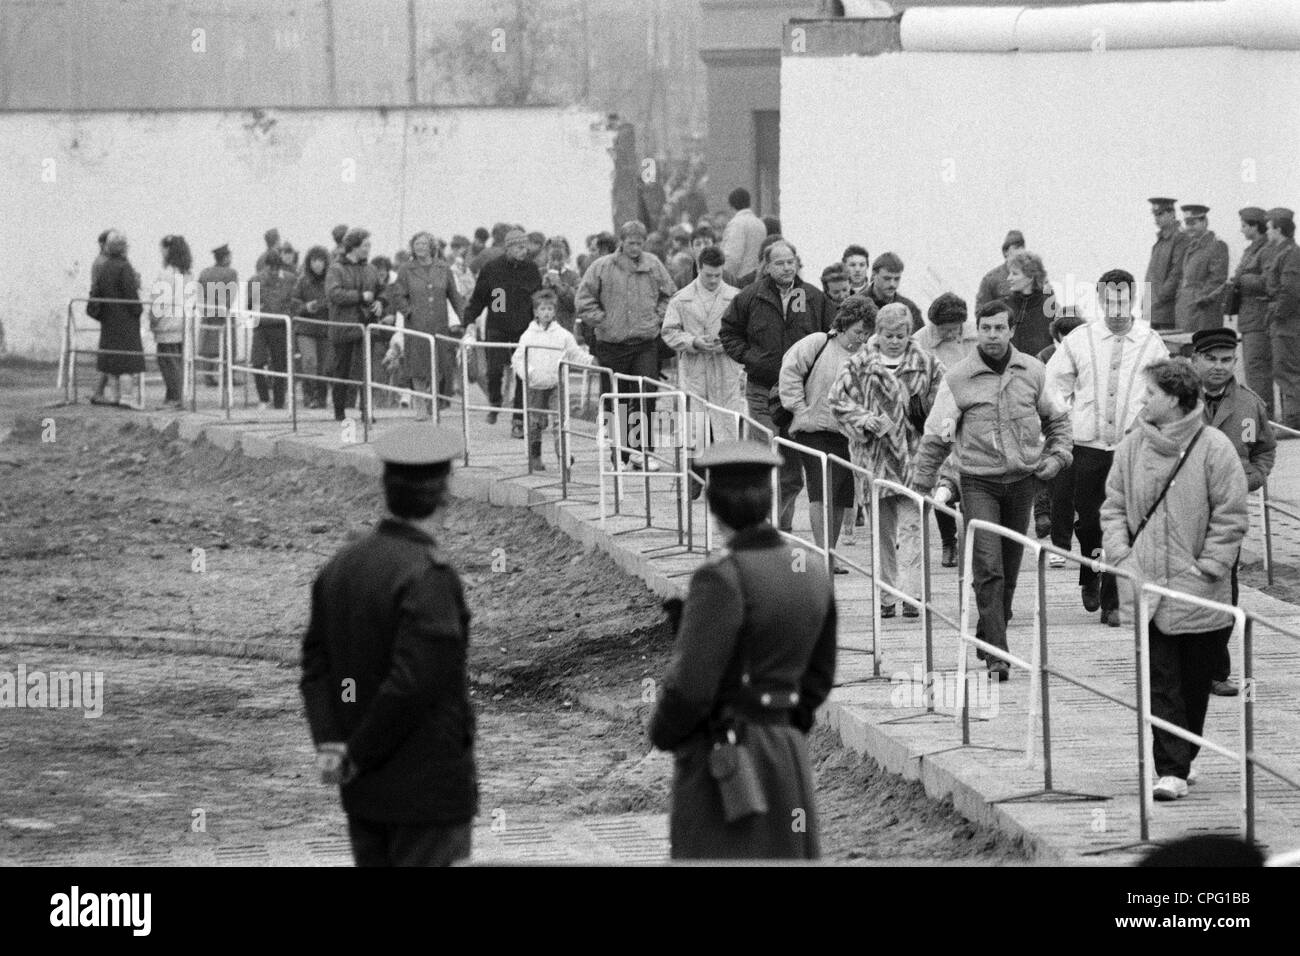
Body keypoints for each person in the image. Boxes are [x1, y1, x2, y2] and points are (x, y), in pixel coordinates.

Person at [648, 440, 837, 860]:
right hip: (787, 755)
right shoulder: (810, 570)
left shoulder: (720, 578)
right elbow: (820, 677)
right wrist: (782, 722)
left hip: (728, 761)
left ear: (713, 506)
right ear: (770, 499)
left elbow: (689, 688)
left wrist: (663, 732)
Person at [301, 422, 477, 865]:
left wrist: (331, 742)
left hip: (364, 794)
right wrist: (358, 752)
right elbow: (414, 684)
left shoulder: (342, 565)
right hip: (426, 794)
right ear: (445, 495)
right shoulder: (428, 576)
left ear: (386, 489)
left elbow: (318, 666)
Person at [1100, 359, 1248, 802]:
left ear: (1176, 398)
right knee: (1161, 682)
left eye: (1150, 394)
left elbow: (1231, 515)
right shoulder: (1130, 448)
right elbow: (1112, 506)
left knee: (1194, 681)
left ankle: (1184, 753)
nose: (1142, 401)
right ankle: (1170, 770)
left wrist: (1210, 566)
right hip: (1147, 585)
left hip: (1201, 589)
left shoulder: (1215, 447)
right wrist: (1121, 555)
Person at [912, 300, 1073, 680]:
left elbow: (1059, 422)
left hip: (1022, 482)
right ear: (977, 330)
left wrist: (1057, 458)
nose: (993, 335)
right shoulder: (959, 377)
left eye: (1000, 328)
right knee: (988, 565)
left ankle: (990, 627)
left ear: (1011, 330)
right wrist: (921, 484)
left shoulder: (1034, 371)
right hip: (978, 481)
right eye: (986, 328)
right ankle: (998, 652)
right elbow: (937, 436)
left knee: (1012, 566)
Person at [1047, 270, 1169, 626]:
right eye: (1110, 301)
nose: (1116, 309)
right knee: (1089, 522)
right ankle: (1090, 572)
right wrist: (1068, 422)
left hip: (1131, 449)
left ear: (1133, 300)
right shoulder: (1080, 339)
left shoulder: (1150, 342)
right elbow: (1055, 386)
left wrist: (1146, 421)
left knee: (1123, 522)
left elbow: (1165, 389)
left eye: (1123, 301)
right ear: (1100, 300)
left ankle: (1112, 599)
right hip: (1087, 447)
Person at [830, 301, 943, 608]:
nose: (895, 340)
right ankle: (886, 593)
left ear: (910, 333)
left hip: (915, 457)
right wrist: (864, 419)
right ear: (876, 332)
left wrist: (927, 408)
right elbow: (837, 402)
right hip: (874, 458)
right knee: (882, 532)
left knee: (912, 527)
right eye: (888, 334)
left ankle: (910, 592)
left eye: (901, 334)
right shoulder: (857, 364)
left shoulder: (927, 362)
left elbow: (946, 399)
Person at [720, 239, 835, 529]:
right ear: (767, 266)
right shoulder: (749, 298)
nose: (786, 267)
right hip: (762, 390)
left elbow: (830, 337)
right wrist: (751, 358)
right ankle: (762, 526)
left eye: (790, 261)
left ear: (797, 263)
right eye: (779, 262)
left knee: (792, 472)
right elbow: (729, 332)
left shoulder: (813, 298)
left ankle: (780, 526)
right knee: (765, 461)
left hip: (800, 396)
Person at [1193, 327, 1276, 696]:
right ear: (1194, 359)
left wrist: (1251, 477)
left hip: (1228, 512)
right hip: (1182, 509)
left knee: (1224, 586)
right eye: (1210, 359)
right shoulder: (1171, 398)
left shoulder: (1250, 403)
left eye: (1227, 359)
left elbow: (1264, 449)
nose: (1219, 367)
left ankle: (1215, 669)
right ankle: (1179, 666)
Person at [781, 295, 874, 571]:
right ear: (844, 325)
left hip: (848, 435)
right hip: (814, 430)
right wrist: (800, 410)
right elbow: (790, 372)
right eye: (858, 331)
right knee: (821, 492)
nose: (862, 337)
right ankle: (822, 554)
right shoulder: (817, 343)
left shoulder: (867, 355)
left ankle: (829, 553)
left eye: (867, 333)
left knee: (841, 498)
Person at [574, 220, 676, 470]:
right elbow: (584, 298)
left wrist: (657, 317)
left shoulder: (653, 265)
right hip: (612, 343)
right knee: (615, 398)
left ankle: (643, 452)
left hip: (644, 342)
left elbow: (670, 295)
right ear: (622, 242)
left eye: (640, 243)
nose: (635, 248)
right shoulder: (602, 267)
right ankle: (617, 453)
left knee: (646, 395)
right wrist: (602, 320)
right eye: (631, 242)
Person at [662, 245, 745, 496]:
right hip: (696, 369)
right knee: (694, 425)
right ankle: (692, 481)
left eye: (717, 275)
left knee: (726, 425)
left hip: (724, 368)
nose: (713, 280)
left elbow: (746, 331)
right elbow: (669, 332)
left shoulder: (735, 297)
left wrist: (727, 344)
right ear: (699, 269)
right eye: (708, 275)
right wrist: (692, 342)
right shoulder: (682, 298)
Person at [912, 292, 979, 568]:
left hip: (974, 415)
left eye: (955, 328)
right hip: (939, 414)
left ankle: (973, 541)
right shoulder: (921, 341)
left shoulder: (977, 335)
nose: (951, 334)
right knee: (943, 476)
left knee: (971, 476)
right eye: (945, 329)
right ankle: (949, 541)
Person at [464, 228, 542, 437]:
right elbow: (479, 298)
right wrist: (469, 320)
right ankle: (495, 401)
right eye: (518, 246)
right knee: (494, 370)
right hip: (497, 326)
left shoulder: (532, 270)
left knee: (521, 375)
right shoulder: (492, 268)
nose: (523, 251)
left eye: (525, 247)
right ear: (508, 248)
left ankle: (518, 420)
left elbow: (540, 300)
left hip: (523, 329)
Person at [512, 287, 591, 471]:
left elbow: (575, 353)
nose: (546, 313)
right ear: (536, 312)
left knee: (559, 421)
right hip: (536, 384)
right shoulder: (528, 335)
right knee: (535, 422)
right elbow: (517, 358)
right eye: (542, 309)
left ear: (554, 312)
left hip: (556, 383)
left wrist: (591, 362)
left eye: (549, 309)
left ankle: (562, 455)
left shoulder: (562, 335)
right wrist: (528, 373)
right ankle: (535, 457)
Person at [391, 231, 465, 418]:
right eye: (417, 244)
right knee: (417, 366)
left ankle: (435, 401)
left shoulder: (443, 268)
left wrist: (465, 319)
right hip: (416, 324)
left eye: (423, 244)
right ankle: (420, 405)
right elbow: (398, 295)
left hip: (439, 323)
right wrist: (409, 311)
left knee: (439, 364)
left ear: (431, 246)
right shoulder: (406, 269)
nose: (420, 247)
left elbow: (454, 296)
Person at [1035, 310, 1086, 566]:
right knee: (1061, 494)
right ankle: (1060, 545)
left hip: (1088, 436)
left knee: (1089, 498)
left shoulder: (1090, 357)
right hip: (1060, 435)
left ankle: (1091, 555)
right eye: (1062, 339)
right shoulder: (1044, 359)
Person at [1220, 207, 1275, 416]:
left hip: (1259, 318)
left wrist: (1240, 280)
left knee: (1257, 369)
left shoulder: (1267, 250)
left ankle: (1265, 418)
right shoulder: (1252, 250)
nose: (1241, 230)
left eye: (1244, 225)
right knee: (1253, 369)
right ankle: (1262, 416)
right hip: (1250, 317)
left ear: (1255, 226)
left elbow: (1269, 281)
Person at [327, 227, 384, 423]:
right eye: (366, 245)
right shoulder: (336, 269)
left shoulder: (371, 269)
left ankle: (366, 411)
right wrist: (359, 296)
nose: (369, 249)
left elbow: (381, 290)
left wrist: (380, 302)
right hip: (344, 326)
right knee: (342, 369)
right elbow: (334, 294)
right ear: (354, 246)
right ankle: (339, 410)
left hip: (366, 325)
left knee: (366, 370)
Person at [86, 230, 145, 406]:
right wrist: (138, 310)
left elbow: (96, 292)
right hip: (125, 320)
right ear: (122, 248)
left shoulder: (103, 266)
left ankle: (114, 396)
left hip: (108, 320)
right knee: (127, 362)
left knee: (112, 363)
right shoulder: (123, 267)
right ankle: (127, 397)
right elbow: (130, 294)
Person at [147, 234, 196, 409]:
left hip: (166, 325)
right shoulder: (189, 275)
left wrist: (152, 321)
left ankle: (175, 398)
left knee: (168, 363)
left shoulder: (165, 275)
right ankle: (172, 396)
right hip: (183, 325)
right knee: (178, 362)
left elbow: (157, 303)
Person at [248, 245, 298, 411]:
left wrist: (288, 314)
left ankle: (278, 402)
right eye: (271, 267)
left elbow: (294, 301)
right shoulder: (256, 280)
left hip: (280, 326)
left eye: (276, 267)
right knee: (257, 362)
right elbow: (250, 304)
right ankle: (263, 398)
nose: (273, 271)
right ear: (265, 266)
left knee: (280, 365)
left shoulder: (290, 279)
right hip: (261, 326)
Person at [1264, 207, 1300, 432]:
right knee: (1283, 368)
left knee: (1288, 369)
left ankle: (1294, 420)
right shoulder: (1283, 251)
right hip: (1283, 322)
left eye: (1269, 228)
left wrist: (1276, 313)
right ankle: (1291, 418)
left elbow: (1290, 291)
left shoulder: (1291, 253)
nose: (1267, 232)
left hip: (1287, 323)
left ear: (1278, 229)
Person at [1174, 204, 1229, 333]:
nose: (1190, 228)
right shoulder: (1191, 246)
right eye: (1187, 224)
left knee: (1201, 349)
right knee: (1184, 349)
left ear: (1204, 222)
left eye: (1193, 223)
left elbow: (1218, 279)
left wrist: (1199, 299)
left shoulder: (1216, 245)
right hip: (1185, 308)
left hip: (1202, 311)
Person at [291, 246, 331, 409]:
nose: (317, 264)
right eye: (314, 261)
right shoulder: (302, 281)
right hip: (306, 328)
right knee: (309, 361)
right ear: (309, 262)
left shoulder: (331, 280)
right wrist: (305, 307)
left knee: (324, 366)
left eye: (320, 260)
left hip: (325, 328)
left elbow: (335, 299)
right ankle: (309, 394)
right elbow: (293, 303)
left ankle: (321, 397)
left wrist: (324, 306)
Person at [1144, 197, 1189, 331]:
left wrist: (1160, 298)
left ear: (1172, 214)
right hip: (1155, 308)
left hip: (1167, 308)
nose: (1157, 218)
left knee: (1168, 348)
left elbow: (1176, 273)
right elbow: (1152, 274)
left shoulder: (1180, 238)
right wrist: (1147, 301)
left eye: (1161, 214)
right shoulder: (1161, 240)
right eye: (1155, 215)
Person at [197, 244, 238, 387]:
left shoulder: (205, 273)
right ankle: (228, 378)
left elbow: (199, 294)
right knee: (228, 347)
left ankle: (208, 377)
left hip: (208, 314)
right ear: (225, 258)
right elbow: (231, 296)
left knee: (208, 348)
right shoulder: (231, 273)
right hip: (223, 315)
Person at [1005, 249, 1055, 358]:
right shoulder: (1005, 305)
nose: (1009, 278)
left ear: (1030, 277)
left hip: (1041, 368)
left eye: (1015, 274)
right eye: (1009, 273)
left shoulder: (1050, 305)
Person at [864, 253, 923, 332]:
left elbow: (919, 341)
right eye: (887, 278)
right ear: (874, 275)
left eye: (897, 279)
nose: (892, 284)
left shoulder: (910, 308)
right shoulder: (856, 305)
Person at [720, 187, 767, 279]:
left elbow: (733, 258)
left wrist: (724, 279)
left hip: (741, 280)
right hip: (758, 278)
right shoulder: (760, 223)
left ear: (731, 205)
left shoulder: (736, 223)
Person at [976, 230, 1025, 312]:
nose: (1021, 252)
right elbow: (981, 312)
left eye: (1022, 248)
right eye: (1016, 248)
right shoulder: (990, 279)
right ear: (1005, 252)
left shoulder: (1030, 277)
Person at [540, 237, 580, 334]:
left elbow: (576, 302)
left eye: (560, 258)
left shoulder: (573, 276)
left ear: (566, 256)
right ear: (547, 256)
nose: (556, 263)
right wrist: (543, 287)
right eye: (552, 258)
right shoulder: (540, 273)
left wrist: (560, 286)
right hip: (542, 328)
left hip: (565, 328)